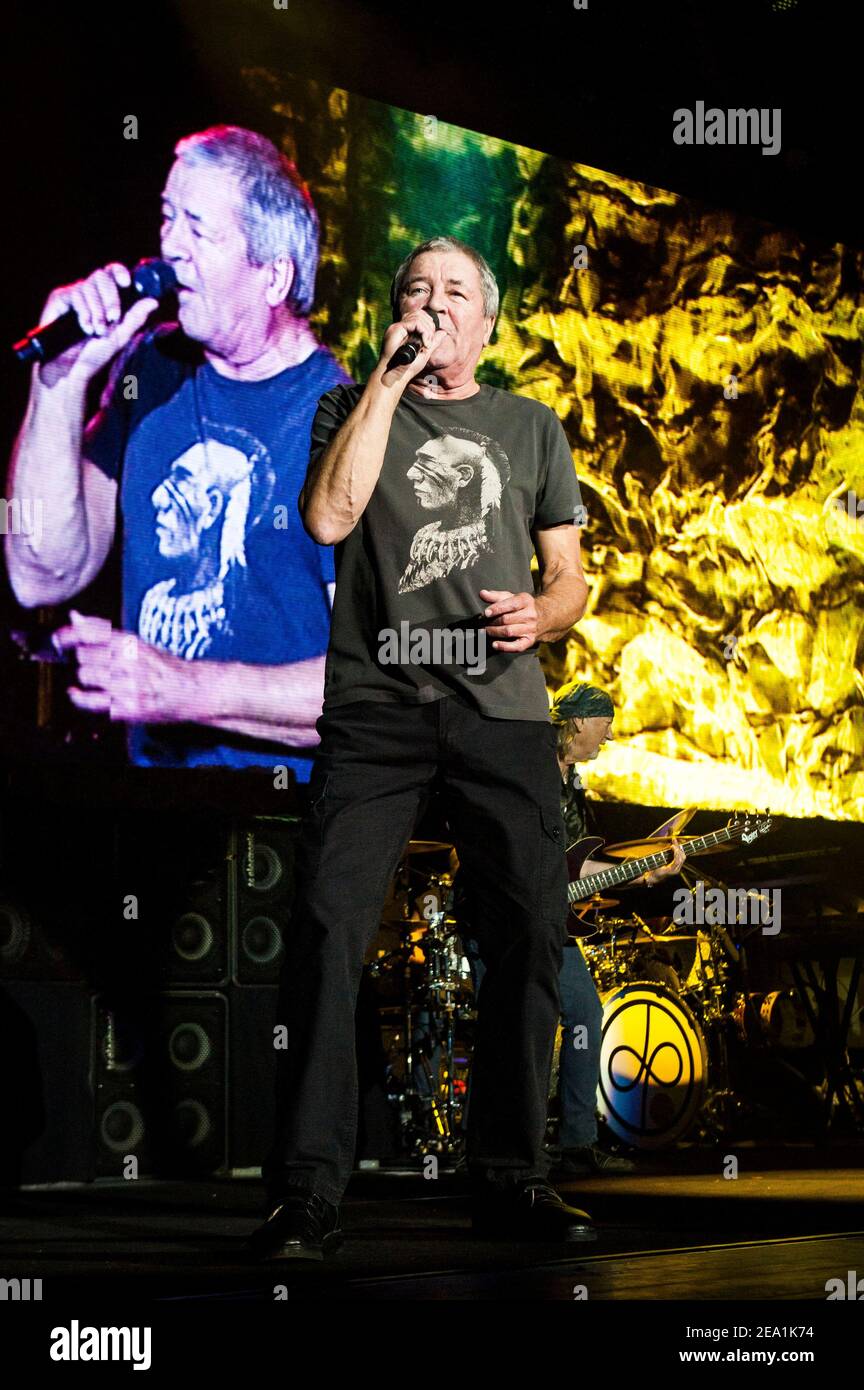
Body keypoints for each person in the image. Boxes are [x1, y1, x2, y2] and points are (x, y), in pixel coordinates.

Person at [250, 235, 593, 1261]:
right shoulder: (351, 407)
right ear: (394, 311)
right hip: (377, 710)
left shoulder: (532, 427)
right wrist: (388, 382)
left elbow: (571, 576)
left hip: (504, 712)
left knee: (532, 932)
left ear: (488, 321)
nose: (434, 303)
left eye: (456, 292)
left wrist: (545, 614)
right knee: (325, 928)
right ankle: (307, 1196)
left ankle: (510, 1179)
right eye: (416, 289)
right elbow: (326, 516)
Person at [5, 124, 351, 782]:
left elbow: (384, 690)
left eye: (199, 228)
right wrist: (59, 386)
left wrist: (185, 690)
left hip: (291, 836)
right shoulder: (153, 369)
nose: (170, 248)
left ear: (273, 275)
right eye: (168, 217)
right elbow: (40, 573)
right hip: (153, 821)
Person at [545, 680, 685, 1176]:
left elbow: (579, 866)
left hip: (553, 927)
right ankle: (494, 1150)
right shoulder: (531, 767)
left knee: (584, 1012)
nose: (609, 736)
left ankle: (577, 1144)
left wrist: (645, 869)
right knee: (519, 1026)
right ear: (579, 722)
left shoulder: (573, 785)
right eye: (604, 725)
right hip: (513, 921)